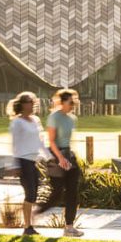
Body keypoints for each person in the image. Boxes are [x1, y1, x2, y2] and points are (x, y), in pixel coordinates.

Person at [41, 87, 83, 232]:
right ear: (63, 102)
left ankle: (69, 227)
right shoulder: (54, 117)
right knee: (57, 193)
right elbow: (52, 141)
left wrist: (69, 157)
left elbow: (68, 140)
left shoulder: (72, 119)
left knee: (73, 192)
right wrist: (60, 158)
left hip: (68, 155)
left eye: (74, 103)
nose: (73, 105)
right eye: (71, 102)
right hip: (55, 156)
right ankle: (35, 214)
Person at [7, 91, 46, 234]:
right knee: (30, 194)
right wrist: (15, 165)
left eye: (33, 102)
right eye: (29, 102)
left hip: (33, 161)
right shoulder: (17, 122)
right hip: (23, 162)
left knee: (34, 194)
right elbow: (14, 144)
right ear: (22, 105)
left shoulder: (36, 120)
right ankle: (27, 227)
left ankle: (28, 224)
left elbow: (40, 141)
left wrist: (48, 158)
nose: (32, 104)